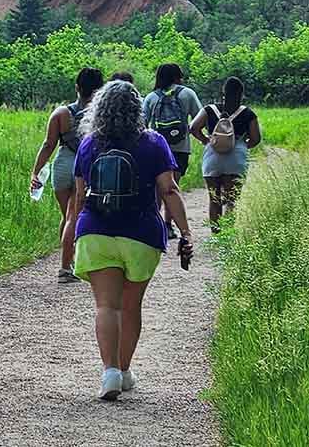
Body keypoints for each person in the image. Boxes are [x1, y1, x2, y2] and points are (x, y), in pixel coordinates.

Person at [73, 80, 193, 400]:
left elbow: (79, 196)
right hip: (141, 235)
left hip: (96, 232)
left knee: (106, 305)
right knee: (130, 306)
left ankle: (109, 371)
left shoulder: (88, 144)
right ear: (137, 109)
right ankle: (124, 369)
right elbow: (169, 190)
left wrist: (72, 232)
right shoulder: (153, 142)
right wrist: (186, 232)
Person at [31, 67, 104, 284]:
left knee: (67, 215)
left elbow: (48, 144)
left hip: (62, 165)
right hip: (85, 166)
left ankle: (68, 258)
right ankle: (65, 268)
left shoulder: (61, 113)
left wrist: (35, 171)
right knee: (75, 216)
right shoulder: (100, 114)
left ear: (77, 87)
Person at [189, 76, 261, 233]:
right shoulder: (248, 113)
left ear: (223, 92)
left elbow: (193, 127)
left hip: (212, 158)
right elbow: (256, 138)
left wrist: (206, 140)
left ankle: (215, 233)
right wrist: (241, 146)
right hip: (236, 160)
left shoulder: (209, 110)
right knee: (231, 200)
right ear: (242, 94)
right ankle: (227, 234)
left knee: (214, 200)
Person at [142, 64, 202, 239]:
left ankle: (155, 223)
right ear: (177, 77)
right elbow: (200, 116)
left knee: (155, 188)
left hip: (155, 147)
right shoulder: (187, 94)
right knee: (171, 186)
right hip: (180, 148)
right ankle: (168, 226)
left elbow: (142, 123)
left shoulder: (151, 97)